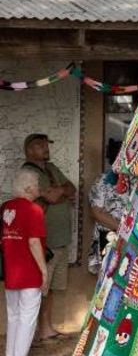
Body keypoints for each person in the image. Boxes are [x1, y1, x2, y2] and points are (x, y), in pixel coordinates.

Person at [22, 131, 75, 341]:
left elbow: (70, 188)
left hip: (61, 239)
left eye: (47, 144)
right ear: (29, 150)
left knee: (51, 288)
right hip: (45, 242)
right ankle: (32, 333)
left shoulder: (51, 168)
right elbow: (39, 202)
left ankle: (46, 328)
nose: (46, 148)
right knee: (40, 288)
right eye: (41, 145)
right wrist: (56, 195)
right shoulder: (27, 173)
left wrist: (58, 191)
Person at [1, 168, 49, 356]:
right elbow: (33, 242)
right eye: (37, 184)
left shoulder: (5, 207)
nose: (39, 187)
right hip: (29, 270)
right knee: (28, 316)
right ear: (29, 188)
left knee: (13, 314)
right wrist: (44, 271)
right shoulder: (34, 210)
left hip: (11, 269)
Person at [88, 168, 130, 272]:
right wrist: (124, 230)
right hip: (108, 236)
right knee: (107, 277)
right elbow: (95, 212)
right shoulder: (104, 179)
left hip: (132, 237)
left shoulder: (137, 181)